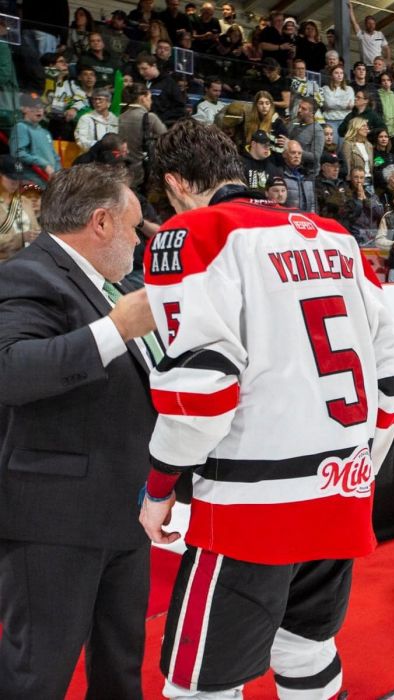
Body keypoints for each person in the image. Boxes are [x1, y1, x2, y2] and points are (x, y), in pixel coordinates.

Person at [138, 119, 394, 698]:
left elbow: (203, 387)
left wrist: (160, 484)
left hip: (248, 507)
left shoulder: (194, 233)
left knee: (198, 681)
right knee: (306, 649)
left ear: (177, 183)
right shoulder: (335, 235)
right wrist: (359, 466)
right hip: (340, 489)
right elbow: (391, 370)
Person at [0, 164, 160, 697]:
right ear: (100, 223)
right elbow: (13, 371)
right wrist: (114, 330)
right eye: (135, 227)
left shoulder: (121, 283)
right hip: (55, 521)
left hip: (126, 509)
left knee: (121, 666)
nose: (141, 240)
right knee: (38, 671)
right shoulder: (28, 274)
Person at [119, 83, 169, 192]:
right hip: (144, 174)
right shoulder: (150, 118)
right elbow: (167, 141)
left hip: (122, 172)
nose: (151, 101)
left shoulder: (119, 118)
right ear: (143, 98)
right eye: (150, 98)